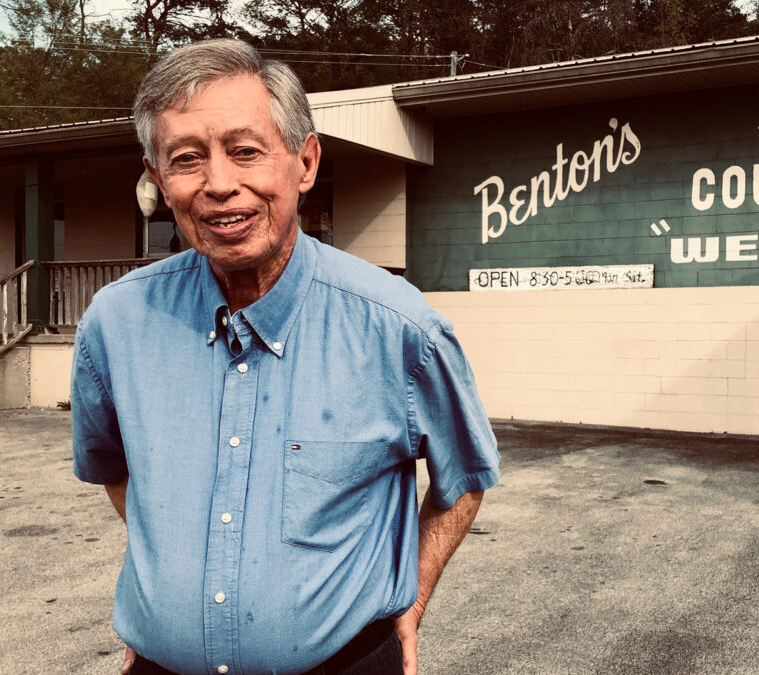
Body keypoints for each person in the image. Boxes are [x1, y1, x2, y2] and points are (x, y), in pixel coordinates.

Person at [71, 39, 500, 675]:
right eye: (187, 159)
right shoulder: (116, 324)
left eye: (246, 151)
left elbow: (462, 481)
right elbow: (115, 469)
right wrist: (173, 594)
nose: (219, 184)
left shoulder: (402, 330)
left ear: (305, 162)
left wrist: (413, 597)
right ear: (158, 178)